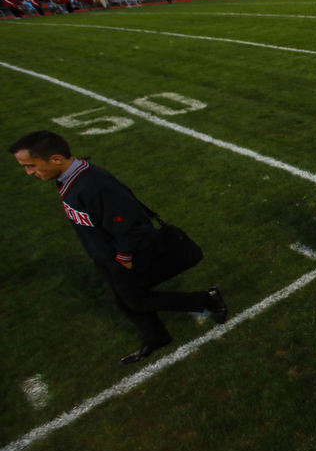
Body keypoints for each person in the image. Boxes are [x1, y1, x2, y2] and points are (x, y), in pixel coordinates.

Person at [9, 131, 227, 366]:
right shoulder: (68, 177)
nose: (29, 172)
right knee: (123, 297)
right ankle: (156, 336)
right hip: (104, 253)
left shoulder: (92, 184)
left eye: (31, 165)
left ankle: (208, 299)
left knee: (136, 299)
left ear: (56, 160)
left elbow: (130, 226)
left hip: (125, 253)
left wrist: (123, 258)